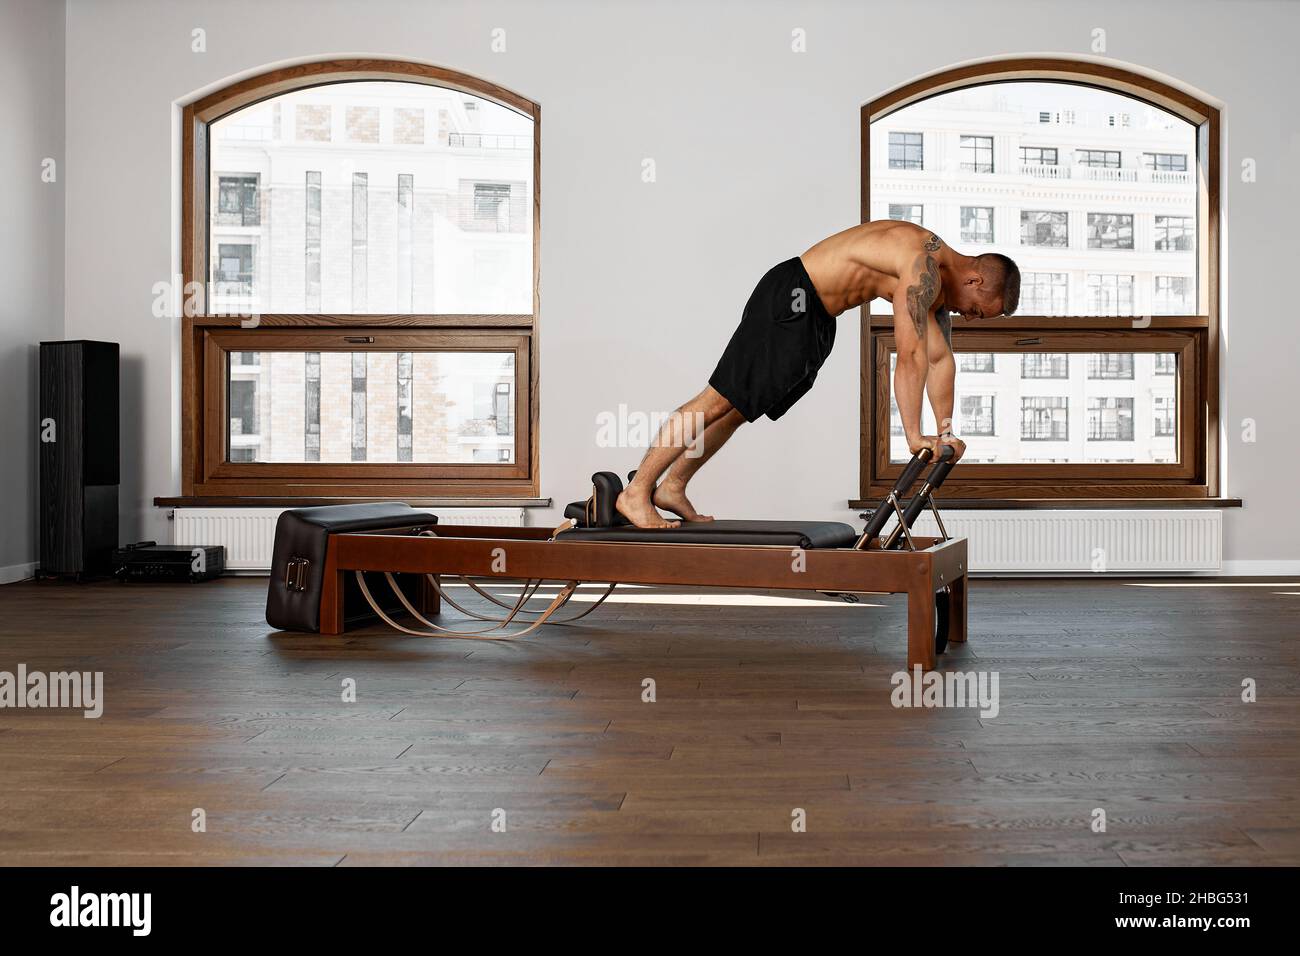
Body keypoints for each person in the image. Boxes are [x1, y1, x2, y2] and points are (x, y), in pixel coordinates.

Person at [616, 219, 1021, 529]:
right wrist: (914, 435)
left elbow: (940, 360)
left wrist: (946, 430)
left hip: (818, 317)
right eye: (976, 308)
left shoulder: (939, 287)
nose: (968, 315)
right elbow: (912, 357)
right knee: (718, 398)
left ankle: (672, 487)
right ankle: (637, 492)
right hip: (795, 296)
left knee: (740, 408)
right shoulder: (922, 271)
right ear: (975, 279)